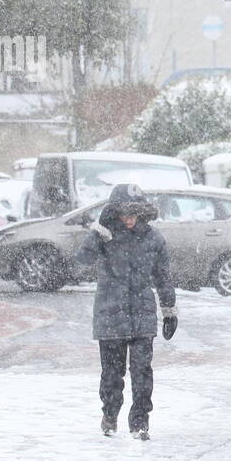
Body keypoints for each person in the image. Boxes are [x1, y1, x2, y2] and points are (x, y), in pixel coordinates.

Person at [74, 183, 176, 440]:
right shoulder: (105, 236)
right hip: (110, 314)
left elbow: (163, 277)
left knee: (142, 371)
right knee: (111, 373)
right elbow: (83, 259)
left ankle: (140, 421)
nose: (130, 219)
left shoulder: (153, 239)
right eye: (125, 213)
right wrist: (97, 232)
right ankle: (110, 414)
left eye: (135, 213)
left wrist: (169, 310)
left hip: (142, 313)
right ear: (114, 212)